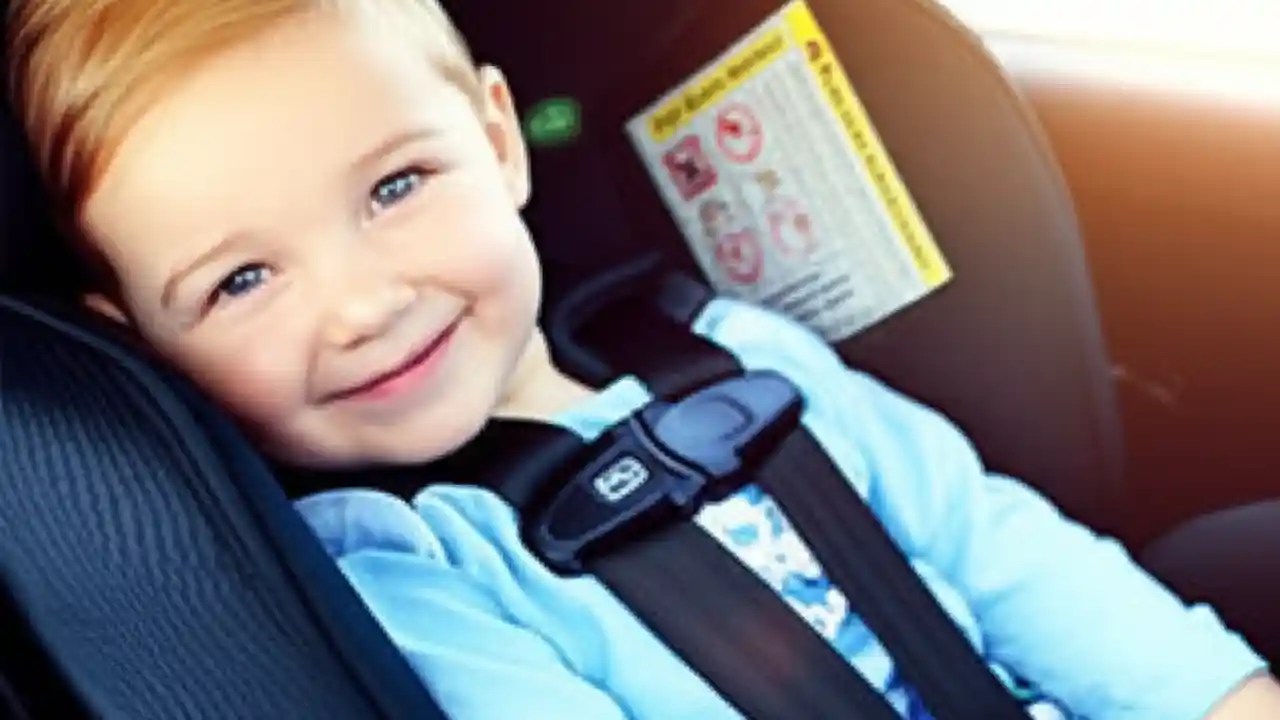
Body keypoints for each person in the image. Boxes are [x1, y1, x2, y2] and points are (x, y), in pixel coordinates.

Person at [6, 1, 1278, 717]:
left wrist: (1215, 696)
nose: (362, 303)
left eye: (396, 186)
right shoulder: (396, 581)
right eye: (241, 279)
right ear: (139, 342)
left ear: (495, 139)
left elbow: (995, 550)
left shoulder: (726, 354)